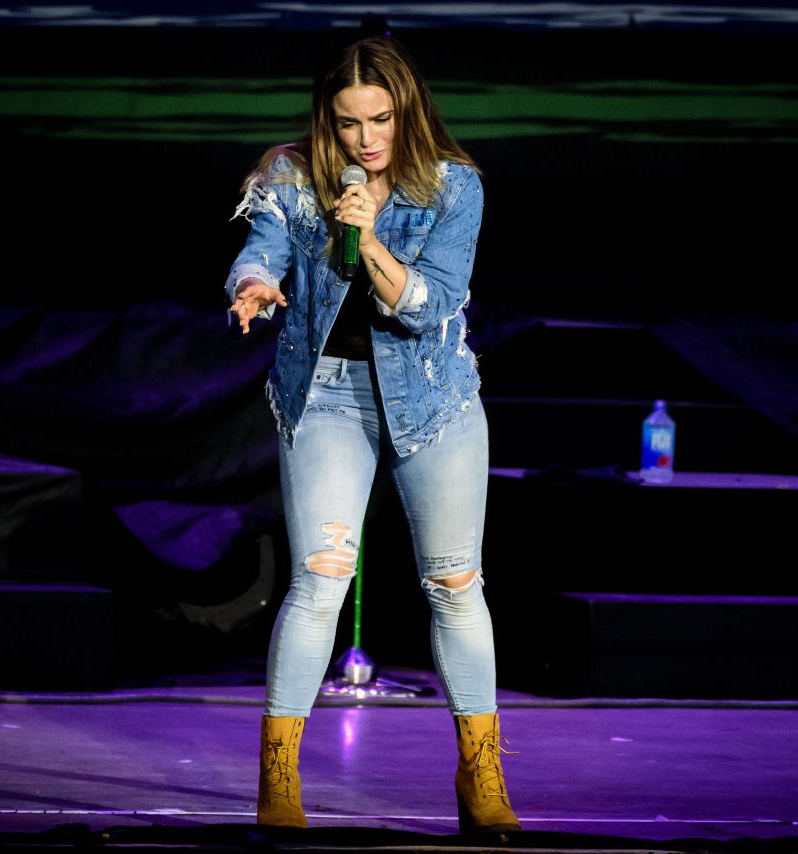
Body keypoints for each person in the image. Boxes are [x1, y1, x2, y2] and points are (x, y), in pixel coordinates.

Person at [224, 35, 518, 834]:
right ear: (329, 119)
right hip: (325, 395)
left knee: (456, 586)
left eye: (380, 119)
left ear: (407, 110)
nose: (366, 140)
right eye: (349, 123)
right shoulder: (291, 174)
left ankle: (480, 776)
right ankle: (278, 779)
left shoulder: (455, 188)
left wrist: (371, 239)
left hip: (433, 399)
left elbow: (427, 307)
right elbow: (263, 246)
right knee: (320, 578)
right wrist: (255, 282)